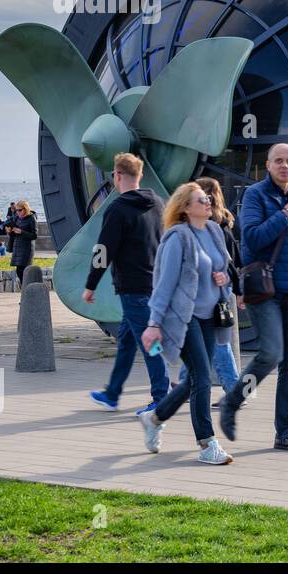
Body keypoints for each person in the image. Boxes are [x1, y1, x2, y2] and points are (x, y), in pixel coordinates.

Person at [218, 143, 288, 453]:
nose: (284, 165)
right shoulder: (256, 195)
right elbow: (252, 237)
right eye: (278, 161)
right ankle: (233, 401)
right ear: (267, 165)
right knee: (271, 353)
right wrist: (284, 214)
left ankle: (285, 433)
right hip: (265, 291)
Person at [136, 183, 235, 465]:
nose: (208, 202)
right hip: (183, 318)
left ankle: (154, 418)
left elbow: (222, 269)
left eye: (208, 198)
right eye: (201, 199)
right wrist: (154, 323)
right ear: (186, 207)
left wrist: (222, 278)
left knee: (194, 378)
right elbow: (163, 285)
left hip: (208, 315)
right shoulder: (177, 238)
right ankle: (207, 444)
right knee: (203, 376)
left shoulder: (214, 231)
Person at [85, 153, 169, 415]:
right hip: (156, 284)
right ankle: (112, 394)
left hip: (133, 288)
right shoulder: (158, 204)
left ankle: (161, 398)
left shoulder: (118, 209)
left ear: (117, 176)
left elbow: (103, 251)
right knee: (127, 340)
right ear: (140, 175)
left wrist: (91, 285)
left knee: (149, 343)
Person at [196, 176, 243, 400]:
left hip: (211, 292)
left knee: (217, 342)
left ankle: (234, 392)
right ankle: (186, 383)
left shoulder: (209, 227)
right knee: (202, 339)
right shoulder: (224, 221)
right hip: (220, 291)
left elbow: (225, 261)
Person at [6, 200, 37, 285]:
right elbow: (14, 234)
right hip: (17, 246)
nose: (18, 212)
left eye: (20, 210)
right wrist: (10, 231)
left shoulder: (31, 218)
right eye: (16, 210)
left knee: (24, 270)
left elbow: (34, 235)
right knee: (19, 270)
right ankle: (25, 290)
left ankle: (26, 290)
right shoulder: (16, 218)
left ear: (25, 209)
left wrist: (21, 232)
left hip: (27, 247)